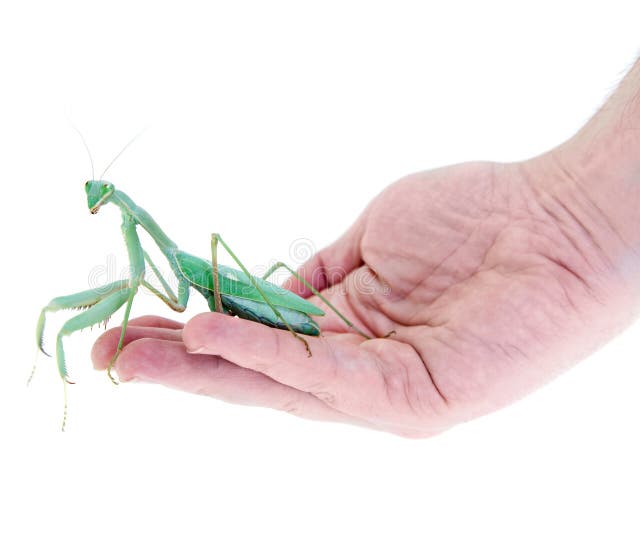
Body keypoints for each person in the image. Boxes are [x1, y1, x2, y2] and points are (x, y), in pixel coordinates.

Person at [92, 58, 640, 437]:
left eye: (103, 196)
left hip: (278, 308)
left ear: (116, 200)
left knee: (212, 260)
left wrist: (572, 226)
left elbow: (155, 284)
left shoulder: (168, 249)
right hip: (274, 308)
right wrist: (574, 226)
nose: (98, 202)